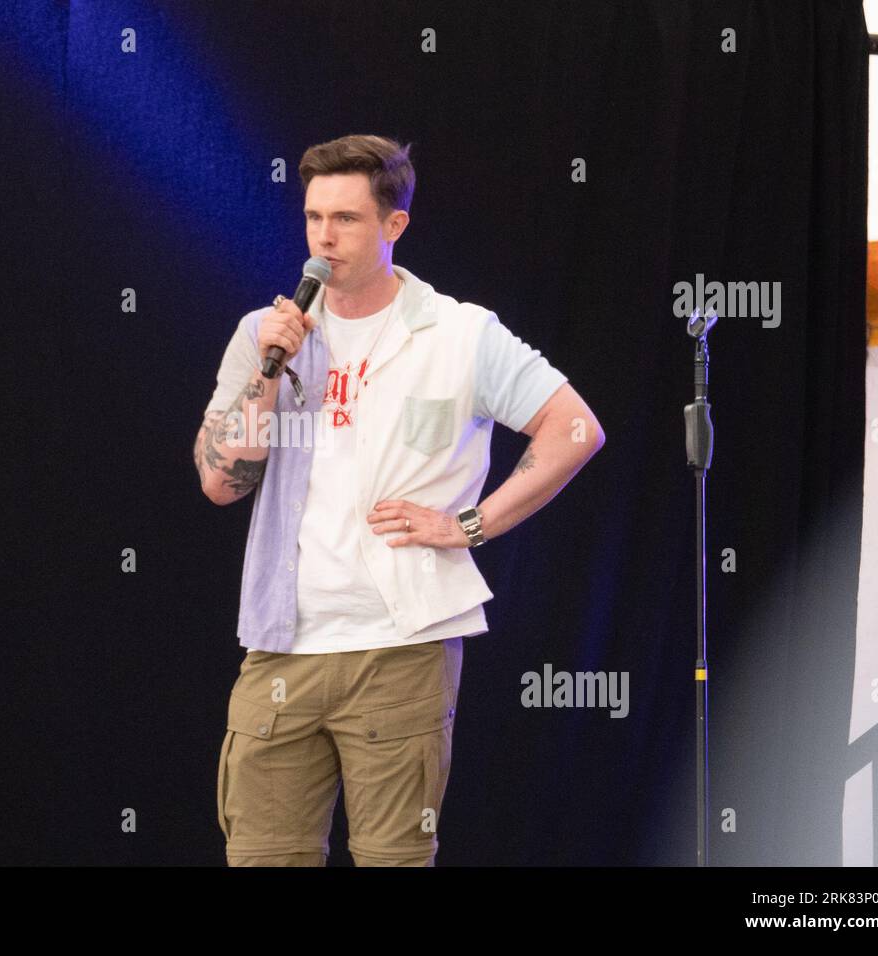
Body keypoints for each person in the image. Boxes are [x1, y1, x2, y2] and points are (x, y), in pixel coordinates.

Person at [193, 134, 604, 866]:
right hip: (281, 642)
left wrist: (471, 524)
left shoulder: (456, 332)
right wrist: (266, 373)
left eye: (346, 218)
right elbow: (222, 481)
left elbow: (574, 428)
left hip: (401, 645)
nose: (324, 237)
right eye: (314, 216)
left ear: (394, 225)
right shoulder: (267, 334)